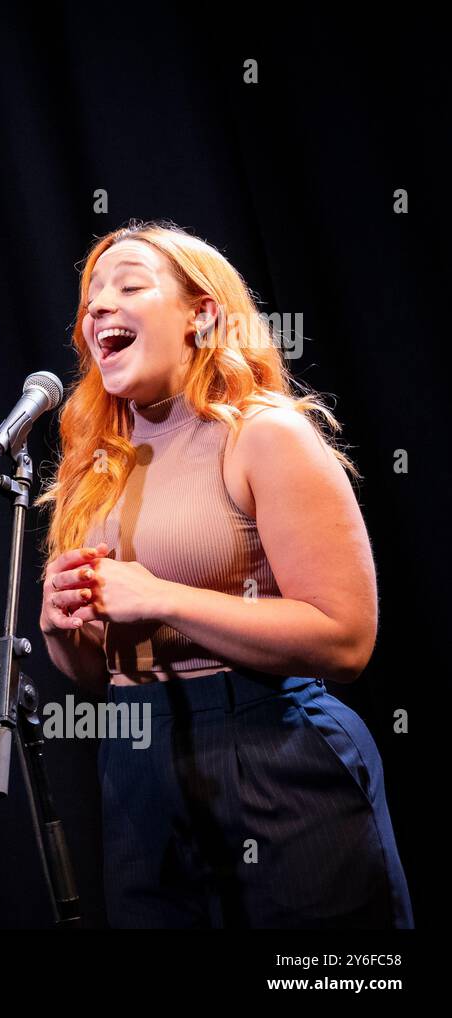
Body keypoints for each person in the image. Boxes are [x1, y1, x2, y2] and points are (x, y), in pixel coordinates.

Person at [34, 219, 413, 929]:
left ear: (201, 314)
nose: (99, 308)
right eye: (91, 297)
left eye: (130, 285)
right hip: (137, 767)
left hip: (271, 749)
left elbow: (345, 638)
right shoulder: (96, 467)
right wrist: (63, 629)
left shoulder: (262, 434)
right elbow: (98, 675)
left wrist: (160, 596)